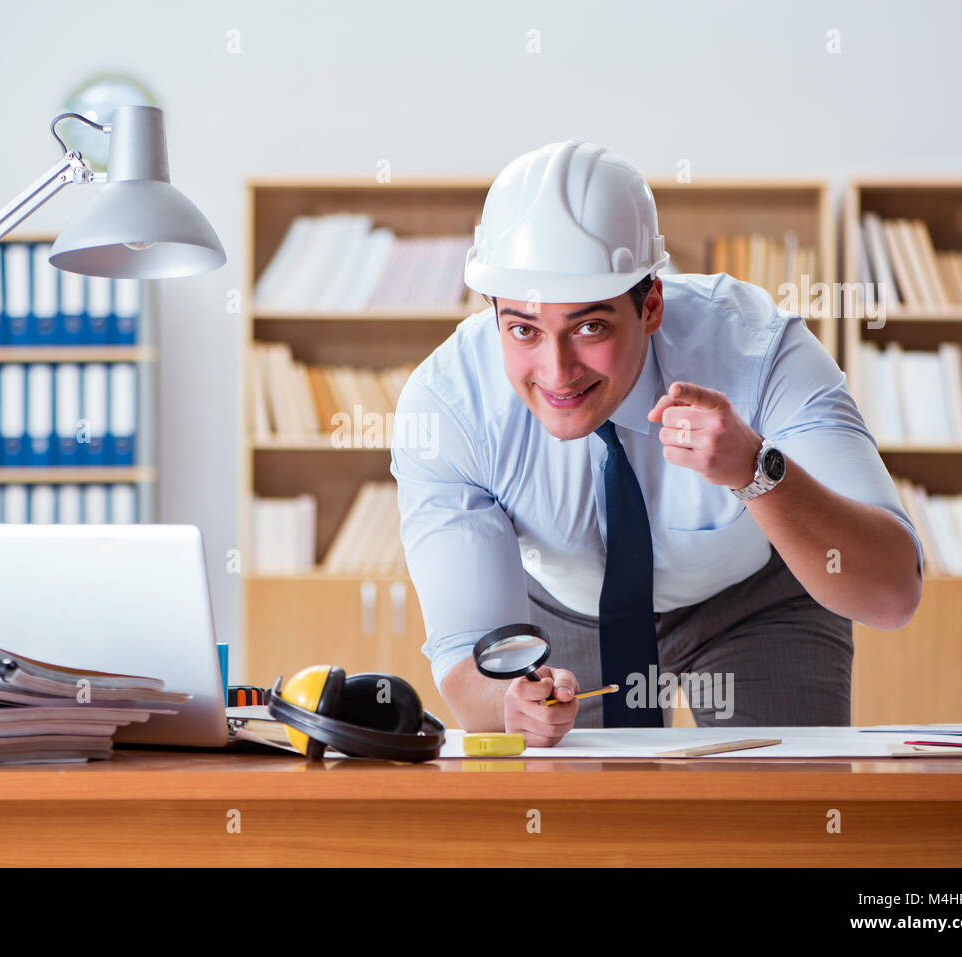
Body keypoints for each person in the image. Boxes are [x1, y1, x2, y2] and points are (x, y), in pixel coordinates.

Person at [390, 140, 922, 746]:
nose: (557, 371)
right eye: (523, 329)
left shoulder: (758, 352)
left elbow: (892, 594)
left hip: (750, 599)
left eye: (590, 326)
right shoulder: (450, 405)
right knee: (585, 833)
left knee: (782, 820)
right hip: (565, 610)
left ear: (650, 306)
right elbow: (468, 656)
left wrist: (757, 471)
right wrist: (510, 705)